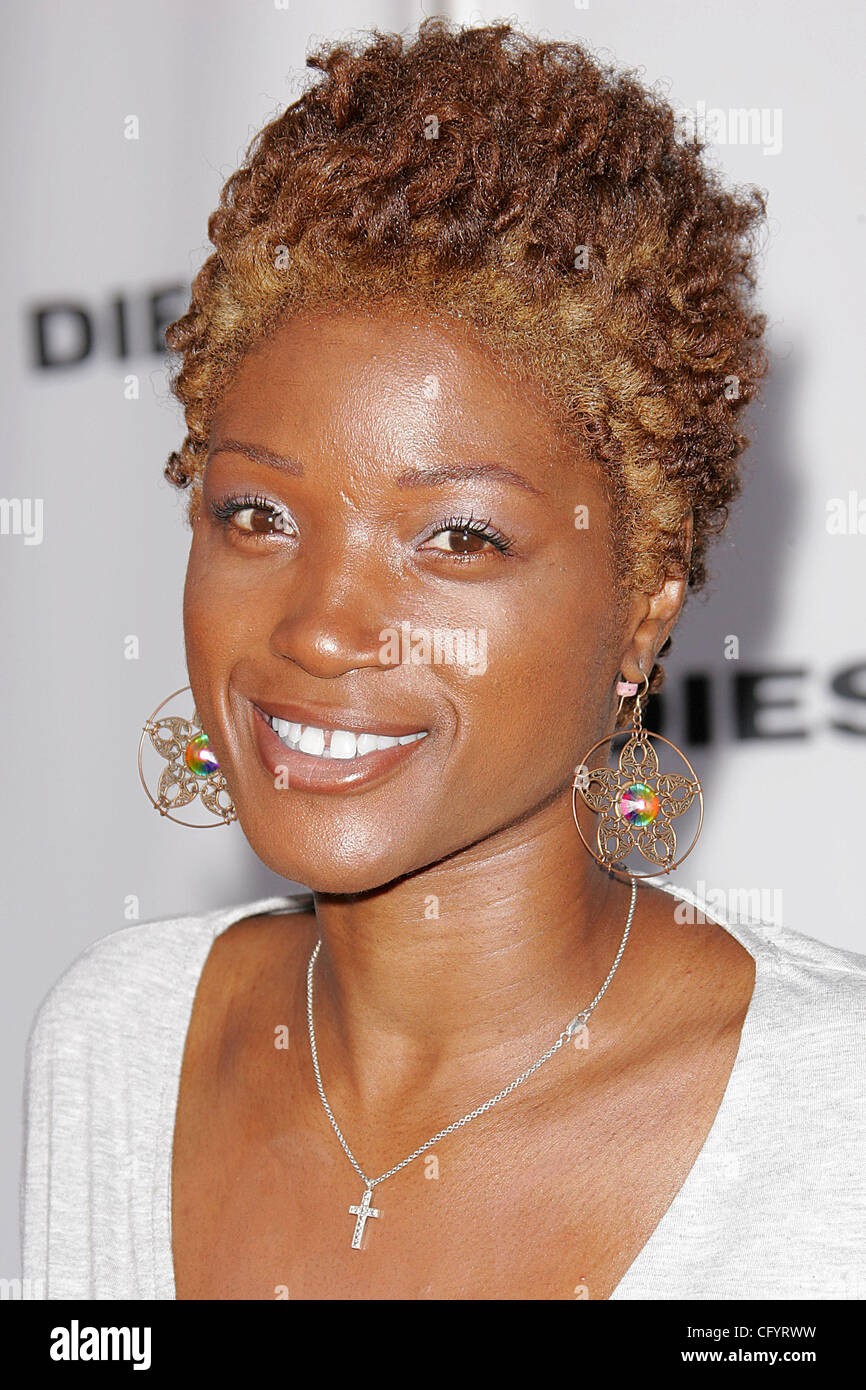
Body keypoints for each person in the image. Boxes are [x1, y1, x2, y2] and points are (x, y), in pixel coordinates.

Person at [21, 18, 866, 1301]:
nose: (316, 627)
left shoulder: (832, 1125)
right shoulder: (116, 1043)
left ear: (640, 610)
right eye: (256, 515)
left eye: (454, 538)